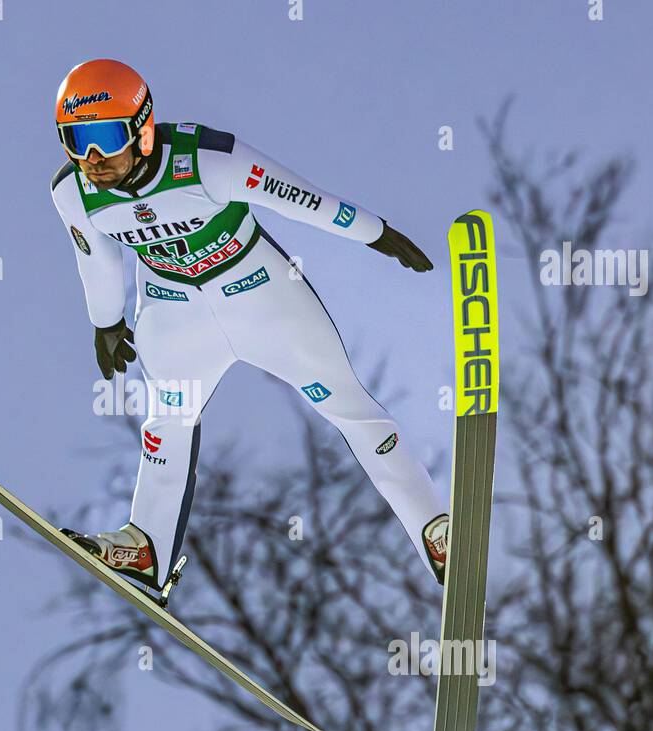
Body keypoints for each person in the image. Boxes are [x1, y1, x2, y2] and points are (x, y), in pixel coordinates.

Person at [50, 58, 448, 592]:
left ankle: (433, 528)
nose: (92, 158)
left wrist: (375, 233)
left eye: (104, 137)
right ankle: (147, 547)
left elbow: (301, 199)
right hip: (174, 312)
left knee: (347, 405)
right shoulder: (72, 191)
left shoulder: (206, 160)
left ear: (142, 128)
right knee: (167, 420)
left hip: (262, 297)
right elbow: (96, 259)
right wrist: (106, 321)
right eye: (76, 141)